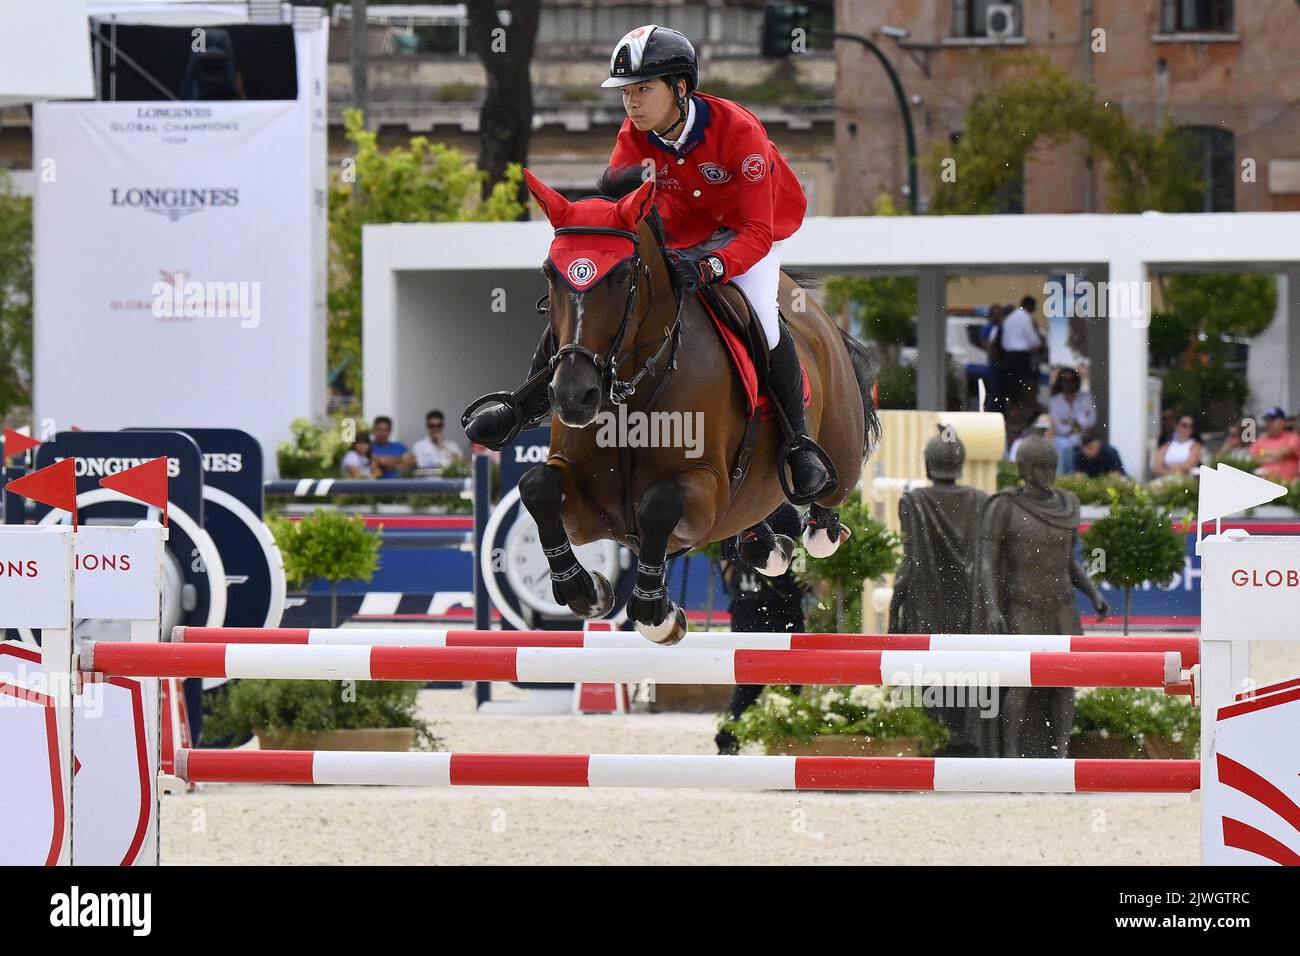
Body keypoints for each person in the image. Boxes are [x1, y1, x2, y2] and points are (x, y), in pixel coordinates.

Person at [463, 24, 830, 503]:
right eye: (625, 94)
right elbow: (619, 214)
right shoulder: (632, 139)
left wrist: (710, 269)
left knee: (763, 313)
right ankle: (524, 403)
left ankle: (799, 443)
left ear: (680, 88)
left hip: (743, 236)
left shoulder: (739, 132)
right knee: (592, 295)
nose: (631, 104)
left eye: (642, 90)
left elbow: (757, 232)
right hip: (677, 236)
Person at [970, 436, 1110, 758]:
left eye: (1051, 466)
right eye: (1039, 466)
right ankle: (1011, 758)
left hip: (1062, 607)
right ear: (1024, 468)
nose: (1047, 472)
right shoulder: (1004, 506)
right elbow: (988, 563)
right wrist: (992, 609)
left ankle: (1059, 756)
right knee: (1021, 682)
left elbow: (1068, 561)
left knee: (1064, 684)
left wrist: (1092, 593)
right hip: (1024, 606)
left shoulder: (1067, 504)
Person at [714, 503, 807, 755]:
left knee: (748, 681)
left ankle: (728, 738)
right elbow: (799, 565)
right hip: (782, 606)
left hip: (744, 607)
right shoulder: (786, 513)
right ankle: (783, 737)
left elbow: (726, 567)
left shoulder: (734, 510)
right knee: (791, 678)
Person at [997, 295, 1044, 415]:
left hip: (1008, 356)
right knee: (1023, 386)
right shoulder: (1025, 317)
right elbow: (1032, 339)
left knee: (1011, 387)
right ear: (1030, 306)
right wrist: (1039, 346)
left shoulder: (1009, 318)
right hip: (1021, 356)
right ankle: (1020, 412)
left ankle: (1011, 411)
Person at [1047, 367, 1095, 475]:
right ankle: (1063, 479)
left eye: (1071, 380)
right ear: (1060, 382)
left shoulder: (1086, 398)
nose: (1068, 384)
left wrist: (1068, 422)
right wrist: (1079, 422)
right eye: (1064, 380)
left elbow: (1091, 421)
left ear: (1076, 381)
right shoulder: (1055, 401)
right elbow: (1059, 427)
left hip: (1083, 439)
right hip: (1063, 439)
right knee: (1064, 447)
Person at [1251, 408, 1300, 482]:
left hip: (1288, 487)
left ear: (1283, 422)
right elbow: (1253, 459)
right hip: (1265, 484)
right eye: (1267, 420)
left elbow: (1284, 452)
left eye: (1272, 420)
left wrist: (1262, 453)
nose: (1269, 423)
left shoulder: (1293, 437)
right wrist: (1277, 456)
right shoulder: (1259, 441)